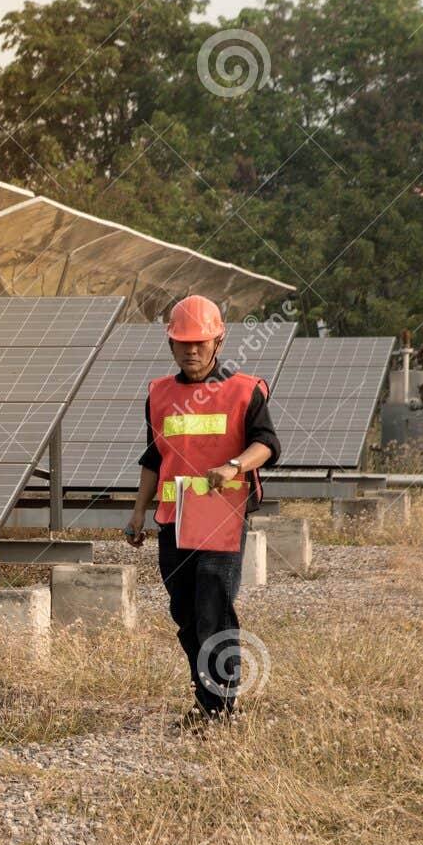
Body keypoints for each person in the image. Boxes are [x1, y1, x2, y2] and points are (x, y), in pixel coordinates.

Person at [122, 295, 280, 731]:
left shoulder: (244, 390)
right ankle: (207, 692)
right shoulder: (159, 394)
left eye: (200, 342)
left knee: (214, 607)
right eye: (183, 343)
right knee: (185, 613)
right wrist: (138, 514)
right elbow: (154, 457)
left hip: (221, 515)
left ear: (218, 340)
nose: (192, 350)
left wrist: (234, 466)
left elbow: (267, 444)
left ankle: (218, 707)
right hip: (173, 517)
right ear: (170, 344)